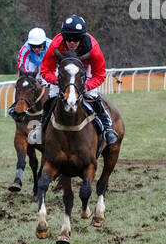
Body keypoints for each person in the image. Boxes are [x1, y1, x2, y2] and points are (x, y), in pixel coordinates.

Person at [31, 15, 118, 146]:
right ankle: (41, 127)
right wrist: (57, 81)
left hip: (84, 70)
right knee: (52, 96)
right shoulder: (56, 44)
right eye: (68, 38)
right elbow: (45, 70)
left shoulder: (93, 48)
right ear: (63, 37)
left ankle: (108, 128)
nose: (72, 42)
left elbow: (100, 74)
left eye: (76, 39)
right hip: (63, 72)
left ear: (82, 38)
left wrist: (86, 86)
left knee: (93, 96)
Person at [9, 27, 48, 122]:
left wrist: (47, 79)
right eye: (33, 46)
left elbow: (55, 66)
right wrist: (32, 79)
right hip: (32, 63)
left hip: (47, 62)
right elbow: (22, 68)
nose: (36, 49)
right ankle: (17, 107)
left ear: (44, 44)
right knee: (25, 84)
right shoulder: (25, 49)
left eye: (39, 46)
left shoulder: (51, 47)